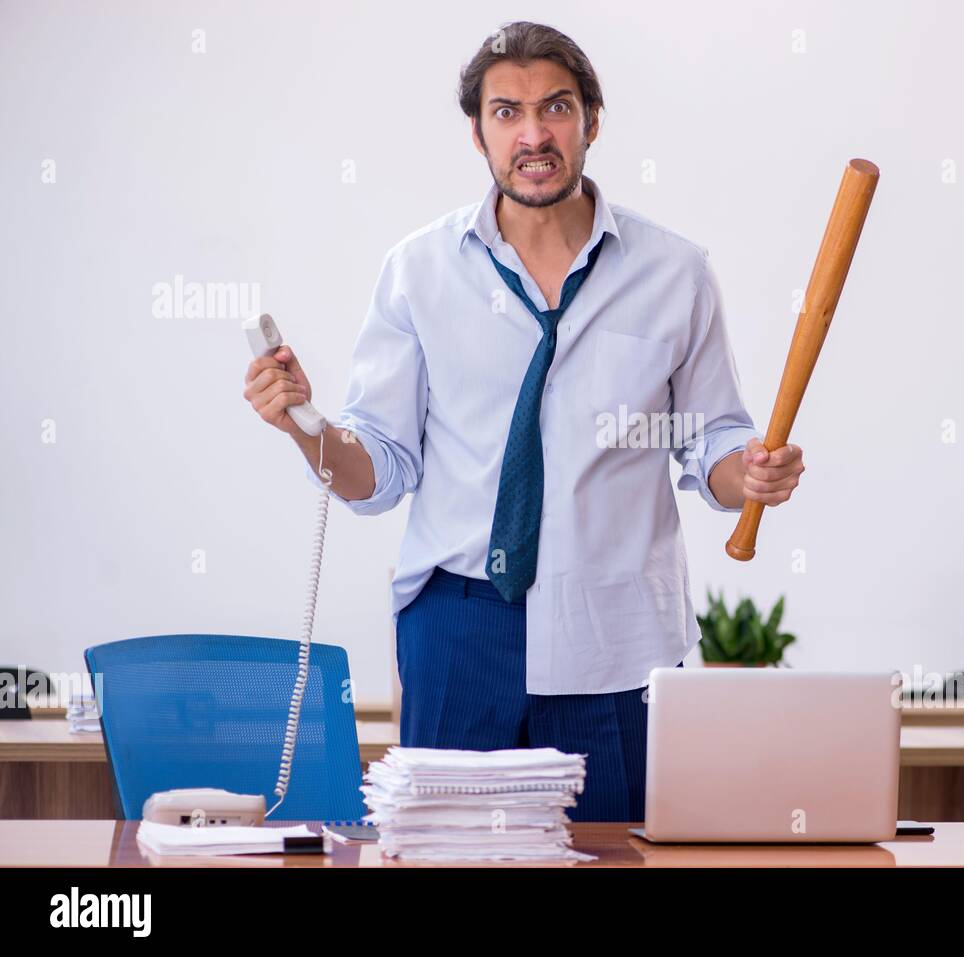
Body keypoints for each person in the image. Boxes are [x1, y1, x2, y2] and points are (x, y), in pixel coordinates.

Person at [242, 21, 805, 822]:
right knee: (445, 853)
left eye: (557, 108)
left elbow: (712, 443)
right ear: (478, 133)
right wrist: (302, 424)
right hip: (459, 628)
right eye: (508, 113)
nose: (534, 134)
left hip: (618, 633)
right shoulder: (418, 271)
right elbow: (381, 472)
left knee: (614, 850)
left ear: (593, 121)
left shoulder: (676, 273)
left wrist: (744, 470)